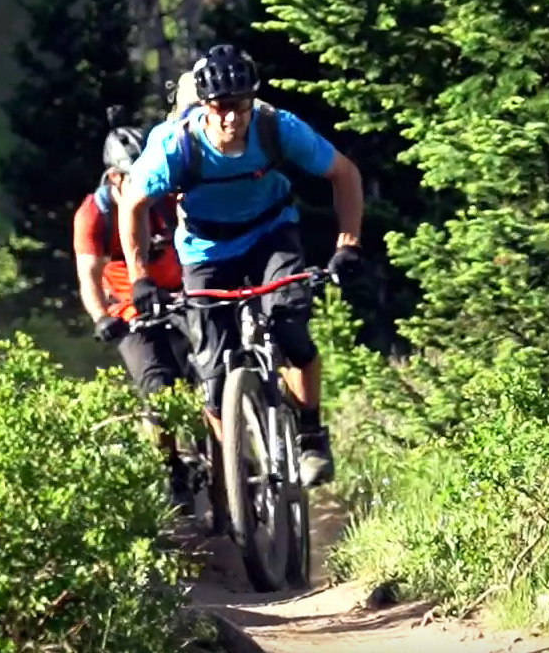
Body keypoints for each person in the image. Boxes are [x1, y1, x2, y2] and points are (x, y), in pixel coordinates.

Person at [114, 45, 365, 488]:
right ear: (204, 106)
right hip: (205, 249)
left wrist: (348, 245)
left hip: (271, 234)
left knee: (290, 326)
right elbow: (132, 204)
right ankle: (233, 472)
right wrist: (140, 280)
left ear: (252, 101)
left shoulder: (275, 127)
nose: (232, 118)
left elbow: (344, 173)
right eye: (221, 107)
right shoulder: (175, 145)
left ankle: (310, 434)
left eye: (241, 105)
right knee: (212, 372)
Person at [71, 120, 194, 511]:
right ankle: (173, 469)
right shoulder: (94, 216)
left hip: (180, 294)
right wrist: (101, 317)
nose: (146, 183)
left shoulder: (164, 197)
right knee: (157, 387)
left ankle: (235, 449)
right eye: (133, 176)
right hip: (129, 310)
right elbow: (89, 278)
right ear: (113, 177)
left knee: (214, 363)